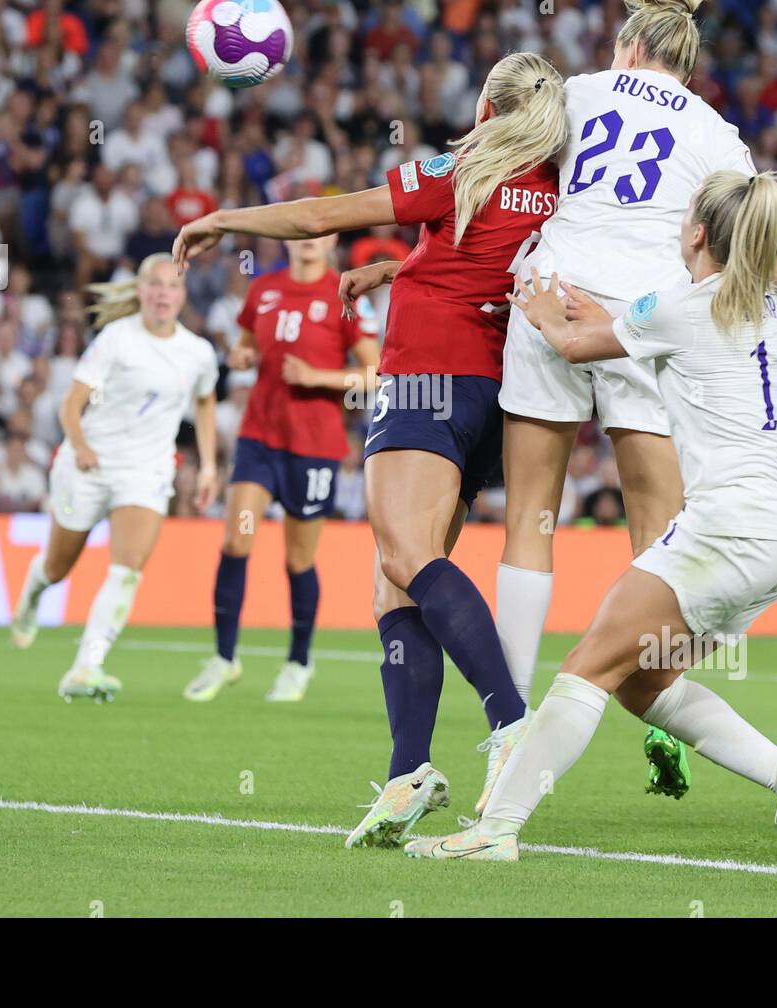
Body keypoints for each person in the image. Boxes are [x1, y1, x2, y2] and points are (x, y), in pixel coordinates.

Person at [488, 0, 777, 793]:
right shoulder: (713, 133)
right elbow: (772, 246)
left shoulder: (578, 91)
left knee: (530, 523)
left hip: (554, 297)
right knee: (657, 538)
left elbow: (490, 166)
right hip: (648, 316)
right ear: (684, 62)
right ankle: (650, 698)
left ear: (626, 46)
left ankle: (508, 724)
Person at [175, 52, 567, 846]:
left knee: (401, 554)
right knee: (399, 589)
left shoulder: (459, 168)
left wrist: (227, 219)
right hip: (493, 391)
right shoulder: (556, 187)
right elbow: (486, 267)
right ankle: (407, 775)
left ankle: (512, 721)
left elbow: (324, 216)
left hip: (424, 376)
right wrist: (401, 266)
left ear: (488, 107)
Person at [407, 171, 777, 864]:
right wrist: (580, 310)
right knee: (643, 682)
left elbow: (578, 346)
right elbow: (622, 325)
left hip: (725, 528)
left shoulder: (686, 308)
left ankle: (496, 831)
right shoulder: (760, 306)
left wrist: (540, 303)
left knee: (583, 670)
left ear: (696, 232)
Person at [9, 253, 219, 702]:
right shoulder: (116, 339)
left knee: (127, 570)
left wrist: (209, 464)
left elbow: (204, 402)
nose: (163, 293)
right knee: (58, 566)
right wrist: (81, 446)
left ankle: (87, 666)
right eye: (155, 285)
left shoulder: (198, 352)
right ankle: (32, 590)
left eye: (172, 286)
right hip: (89, 464)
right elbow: (71, 402)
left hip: (145, 472)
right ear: (140, 291)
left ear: (183, 295)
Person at [182, 234, 381, 704]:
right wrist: (242, 356)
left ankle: (298, 662)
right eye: (302, 232)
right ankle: (225, 658)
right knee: (236, 539)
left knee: (298, 559)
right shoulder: (264, 289)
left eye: (320, 233)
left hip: (314, 445)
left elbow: (377, 374)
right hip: (260, 437)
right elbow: (246, 346)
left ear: (331, 238)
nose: (310, 241)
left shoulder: (344, 295)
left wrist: (318, 378)